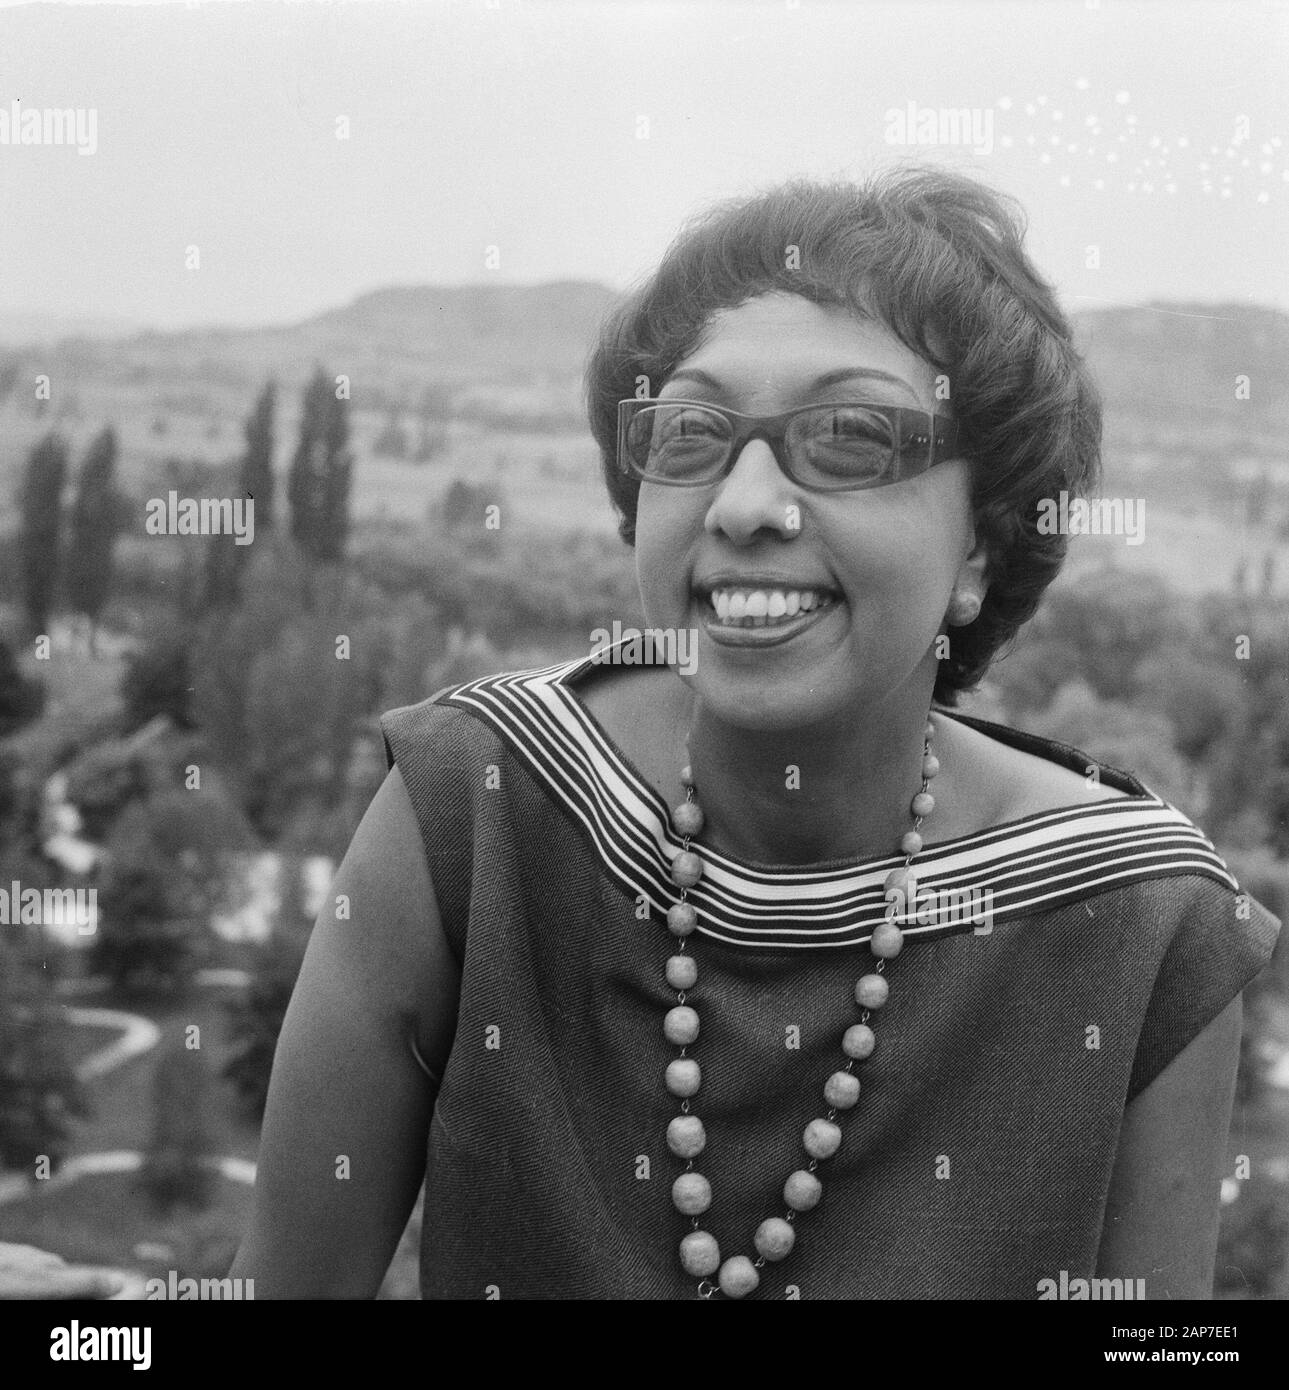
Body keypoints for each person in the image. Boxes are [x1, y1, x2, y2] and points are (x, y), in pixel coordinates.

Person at [216, 167, 1277, 1301]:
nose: (740, 503)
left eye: (851, 436)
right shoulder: (475, 806)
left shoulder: (1135, 921)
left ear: (978, 547)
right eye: (691, 431)